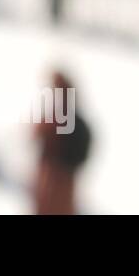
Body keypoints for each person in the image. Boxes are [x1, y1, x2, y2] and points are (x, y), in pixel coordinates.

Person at [33, 70, 90, 215]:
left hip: (57, 174)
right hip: (57, 173)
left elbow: (39, 133)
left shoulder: (62, 120)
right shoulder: (65, 118)